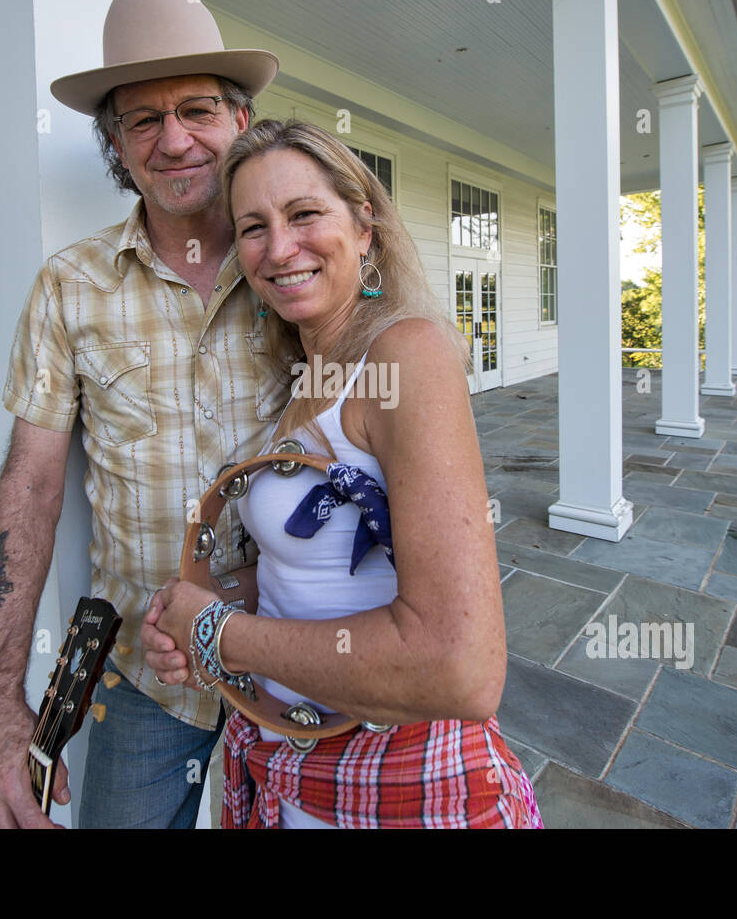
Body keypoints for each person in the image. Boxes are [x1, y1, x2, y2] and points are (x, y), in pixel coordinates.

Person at [143, 120, 541, 828]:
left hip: (398, 785)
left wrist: (216, 634)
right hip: (295, 776)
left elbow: (462, 667)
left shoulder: (405, 355)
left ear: (364, 226)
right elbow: (315, 573)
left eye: (304, 214)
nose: (280, 246)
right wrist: (192, 604)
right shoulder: (305, 378)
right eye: (254, 227)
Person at [0, 0, 291, 829]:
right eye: (143, 119)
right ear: (114, 140)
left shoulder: (296, 271)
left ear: (241, 122)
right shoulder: (68, 287)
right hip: (147, 679)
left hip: (306, 659)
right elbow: (29, 488)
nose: (174, 138)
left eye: (197, 109)